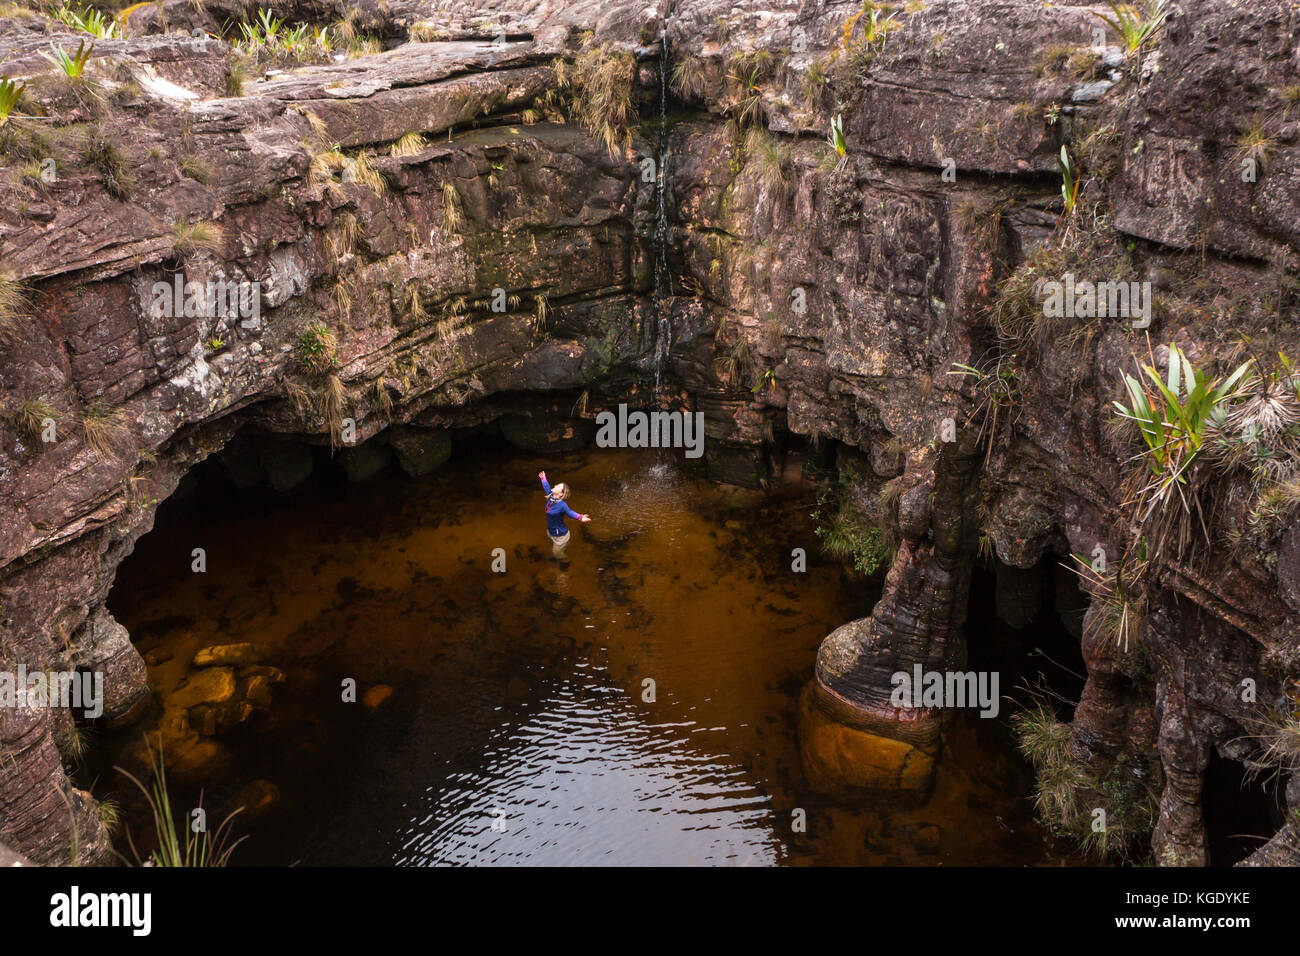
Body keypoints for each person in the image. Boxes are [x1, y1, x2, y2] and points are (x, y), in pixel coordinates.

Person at [539, 470, 590, 555]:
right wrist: (543, 478)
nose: (555, 485)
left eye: (558, 487)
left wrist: (580, 517)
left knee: (556, 553)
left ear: (560, 494)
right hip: (551, 531)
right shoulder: (550, 496)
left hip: (560, 535)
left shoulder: (562, 505)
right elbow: (547, 487)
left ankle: (565, 562)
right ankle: (565, 546)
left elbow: (570, 512)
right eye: (557, 485)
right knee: (550, 542)